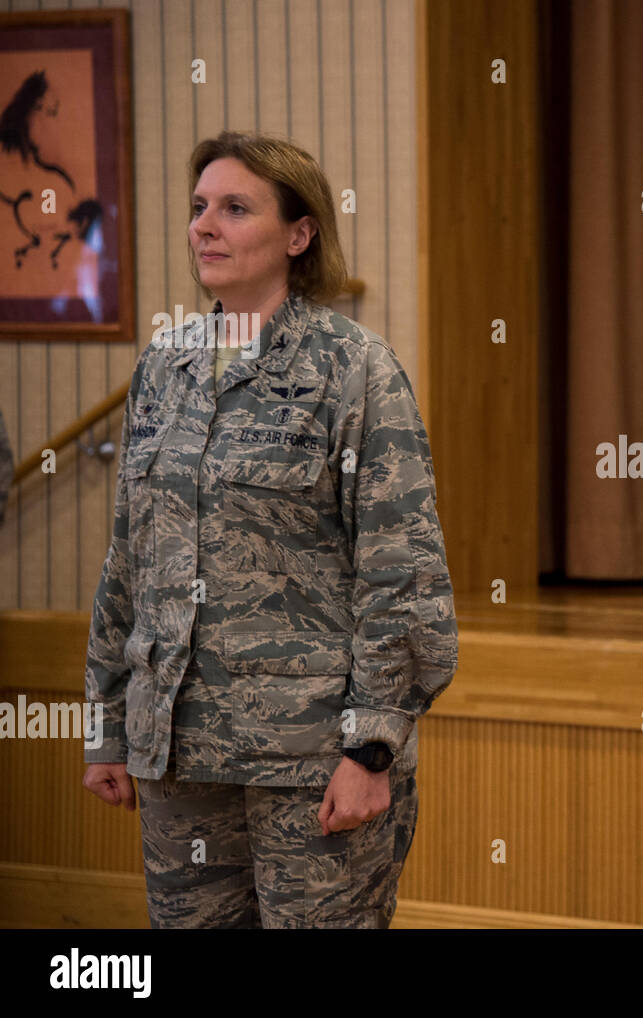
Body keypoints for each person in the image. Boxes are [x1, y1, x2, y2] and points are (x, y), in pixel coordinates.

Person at [82, 131, 457, 928]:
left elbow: (403, 572)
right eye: (198, 208)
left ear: (299, 233)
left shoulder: (354, 369)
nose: (205, 226)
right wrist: (108, 724)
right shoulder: (163, 367)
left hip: (309, 764)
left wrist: (371, 749)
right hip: (179, 762)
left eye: (235, 208)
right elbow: (128, 563)